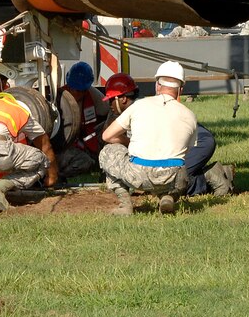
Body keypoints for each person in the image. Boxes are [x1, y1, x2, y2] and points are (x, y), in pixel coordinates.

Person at [101, 71, 233, 198]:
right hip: (200, 138)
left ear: (123, 98)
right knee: (163, 177)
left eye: (110, 100)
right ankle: (207, 175)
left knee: (165, 182)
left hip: (201, 141)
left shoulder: (137, 108)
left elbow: (108, 136)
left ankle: (211, 176)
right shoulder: (144, 104)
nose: (109, 105)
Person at [99, 61, 198, 215]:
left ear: (157, 85)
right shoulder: (190, 116)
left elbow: (106, 136)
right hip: (172, 178)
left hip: (137, 175)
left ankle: (125, 206)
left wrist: (129, 142)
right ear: (181, 89)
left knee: (108, 151)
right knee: (180, 165)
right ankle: (168, 196)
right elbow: (185, 152)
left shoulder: (138, 106)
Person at [53, 61, 109, 178]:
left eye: (82, 90)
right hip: (61, 147)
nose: (78, 93)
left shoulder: (92, 95)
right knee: (85, 162)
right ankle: (57, 176)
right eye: (75, 89)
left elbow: (106, 109)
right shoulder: (57, 98)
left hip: (85, 143)